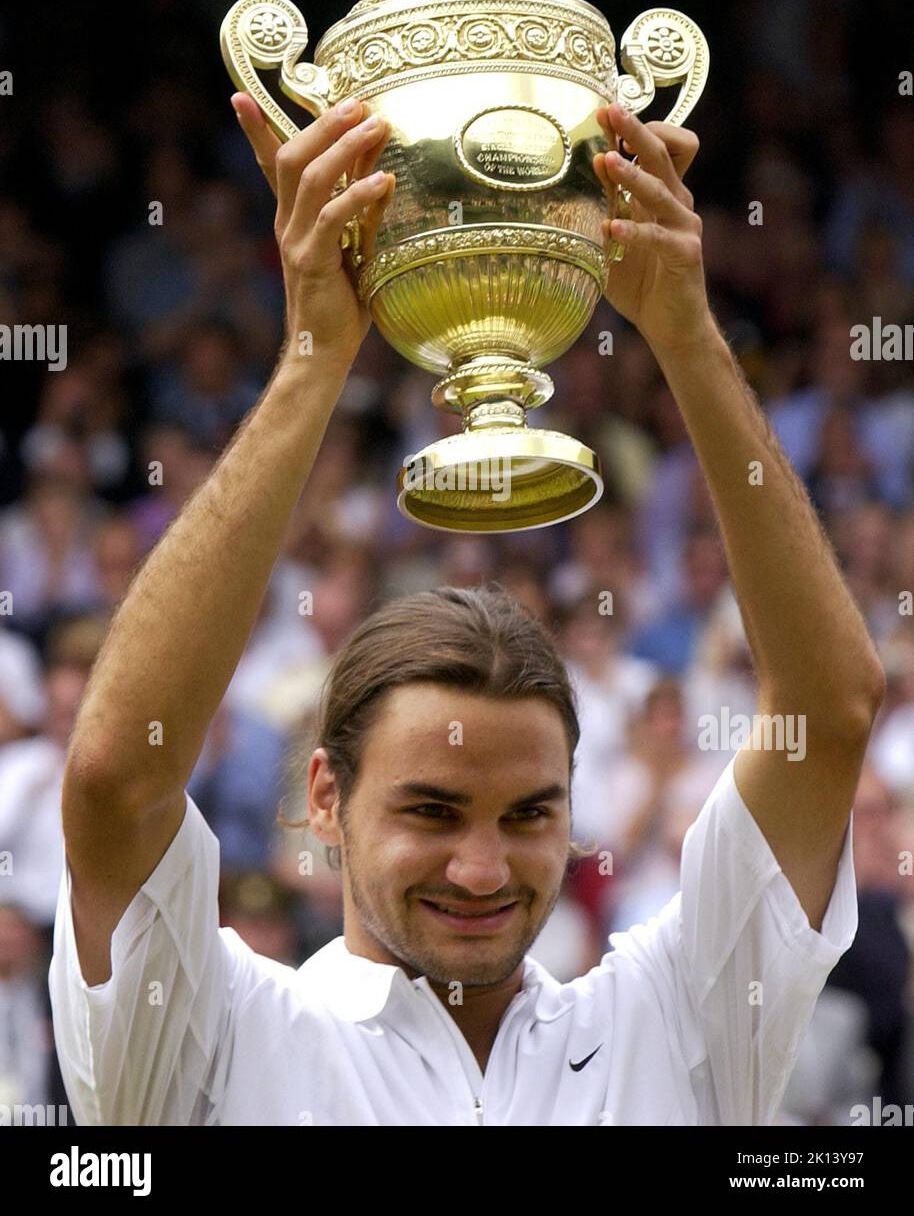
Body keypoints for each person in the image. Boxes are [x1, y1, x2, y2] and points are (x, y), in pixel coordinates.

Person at [49, 92, 885, 1125]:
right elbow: (114, 776)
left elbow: (832, 710)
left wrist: (685, 333)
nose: (483, 868)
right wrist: (315, 357)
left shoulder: (675, 1019)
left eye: (529, 812)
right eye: (429, 809)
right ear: (324, 796)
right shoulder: (218, 1032)